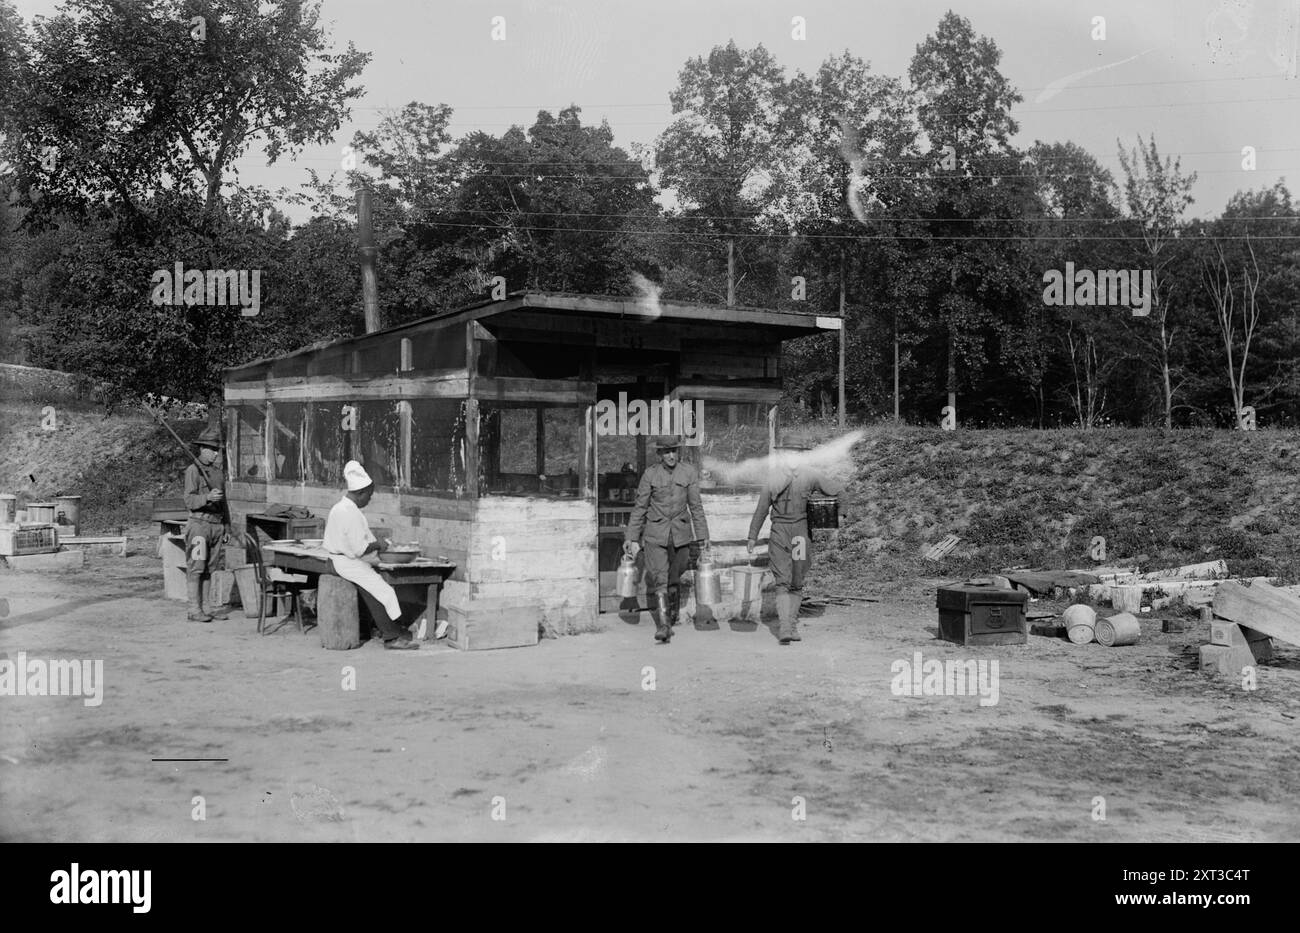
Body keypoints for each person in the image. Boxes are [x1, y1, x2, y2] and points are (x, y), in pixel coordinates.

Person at [747, 439, 849, 644]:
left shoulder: (810, 475)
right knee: (782, 580)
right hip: (779, 533)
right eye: (789, 453)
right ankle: (785, 627)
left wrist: (841, 514)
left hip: (800, 533)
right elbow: (761, 509)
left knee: (796, 580)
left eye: (797, 453)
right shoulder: (773, 478)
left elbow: (839, 491)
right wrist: (752, 536)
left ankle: (791, 624)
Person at [322, 460, 419, 650]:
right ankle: (392, 637)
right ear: (360, 493)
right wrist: (380, 544)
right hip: (344, 563)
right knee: (383, 590)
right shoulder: (349, 513)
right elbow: (359, 548)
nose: (369, 499)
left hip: (335, 560)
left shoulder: (340, 508)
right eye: (369, 495)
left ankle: (379, 629)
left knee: (371, 587)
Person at [623, 436, 710, 643]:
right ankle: (664, 626)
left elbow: (696, 507)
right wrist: (631, 536)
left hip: (680, 535)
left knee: (674, 575)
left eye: (674, 451)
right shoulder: (650, 475)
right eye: (666, 452)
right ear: (659, 454)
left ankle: (671, 616)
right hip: (656, 534)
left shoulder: (688, 472)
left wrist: (703, 536)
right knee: (660, 578)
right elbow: (640, 508)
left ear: (678, 452)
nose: (671, 455)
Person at [183, 425, 231, 623]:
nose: (214, 453)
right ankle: (194, 610)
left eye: (216, 450)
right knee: (197, 567)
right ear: (202, 449)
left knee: (211, 568)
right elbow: (189, 501)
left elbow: (224, 502)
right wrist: (207, 497)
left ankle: (207, 608)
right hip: (199, 526)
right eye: (211, 449)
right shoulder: (193, 471)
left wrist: (226, 526)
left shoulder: (218, 474)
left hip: (216, 526)